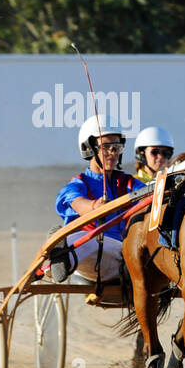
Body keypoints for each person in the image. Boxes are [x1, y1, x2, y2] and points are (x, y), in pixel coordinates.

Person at [50, 114, 146, 283]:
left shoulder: (131, 184)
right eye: (106, 147)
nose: (112, 153)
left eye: (116, 147)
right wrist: (95, 206)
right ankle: (61, 256)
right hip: (94, 258)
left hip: (127, 256)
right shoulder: (79, 183)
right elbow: (76, 202)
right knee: (81, 241)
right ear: (89, 148)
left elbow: (149, 197)